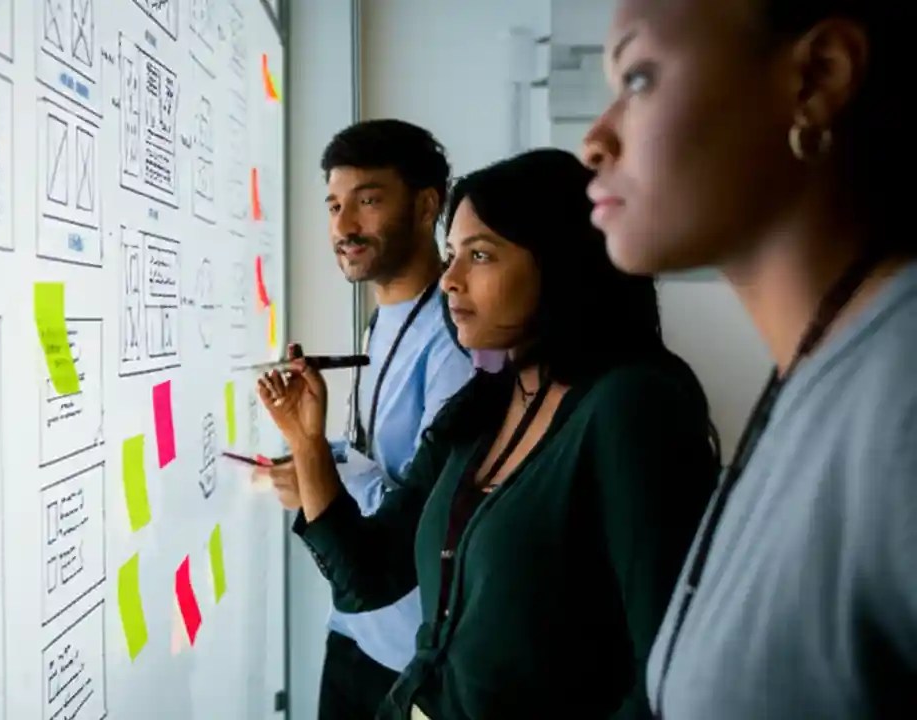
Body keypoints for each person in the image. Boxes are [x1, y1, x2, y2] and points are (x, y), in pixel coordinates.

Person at [258, 148, 721, 719]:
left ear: (561, 263)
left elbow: (667, 671)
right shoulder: (486, 405)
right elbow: (368, 578)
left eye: (479, 255)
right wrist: (307, 444)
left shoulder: (630, 406)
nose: (449, 281)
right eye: (453, 255)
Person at [582, 1, 917, 717]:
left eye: (638, 78)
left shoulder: (902, 392)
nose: (595, 140)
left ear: (817, 77)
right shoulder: (814, 368)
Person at [262, 119, 474, 718]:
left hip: (407, 651)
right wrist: (319, 455)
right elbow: (377, 458)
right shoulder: (381, 320)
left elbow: (426, 514)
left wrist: (317, 473)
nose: (344, 226)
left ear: (426, 204)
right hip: (356, 630)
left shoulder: (456, 338)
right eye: (334, 205)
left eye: (369, 201)